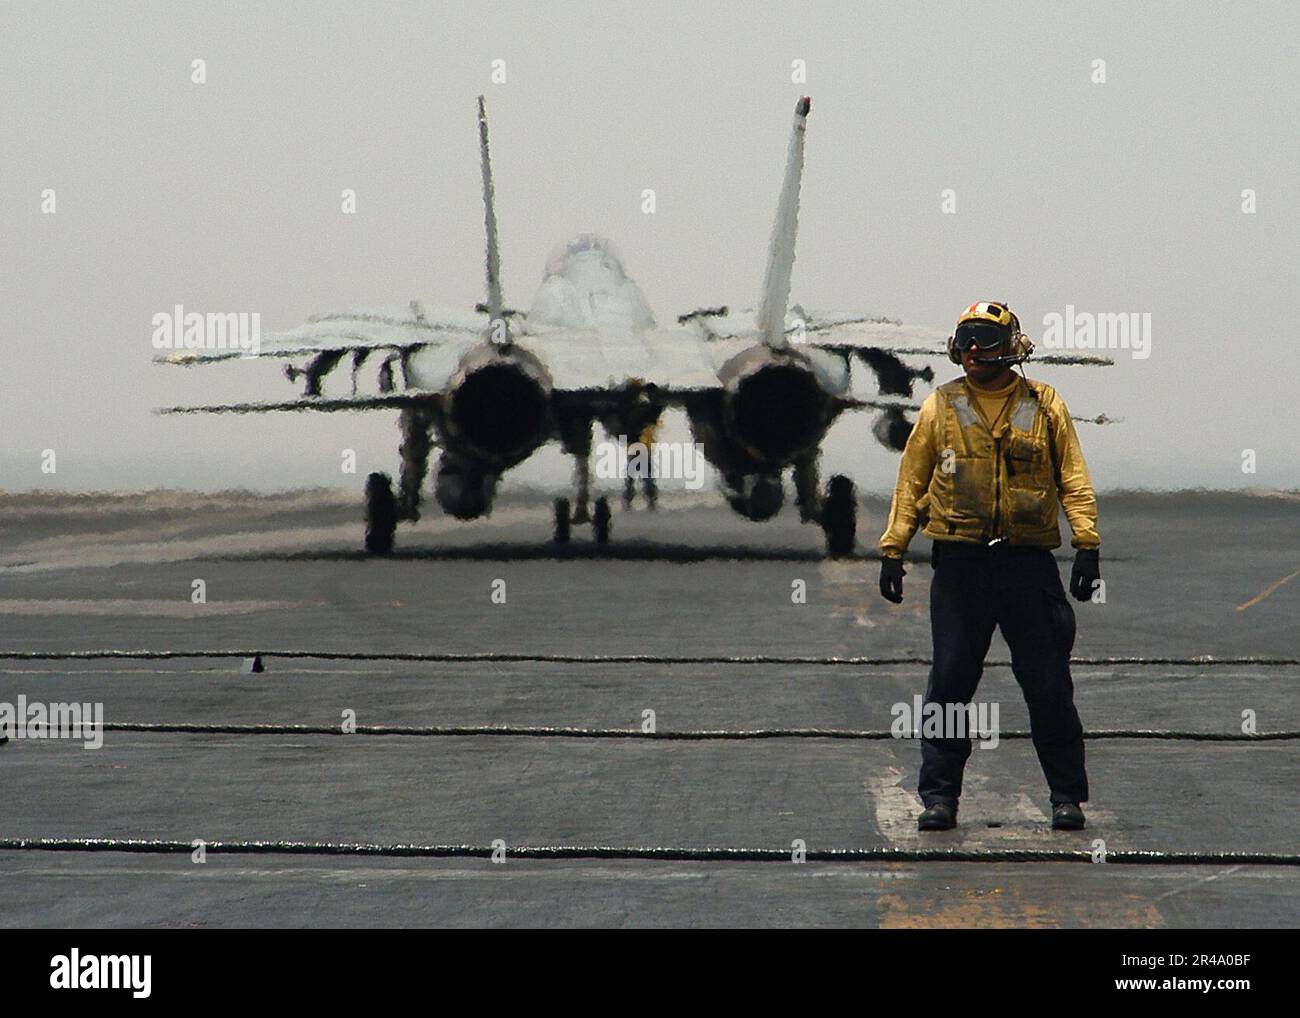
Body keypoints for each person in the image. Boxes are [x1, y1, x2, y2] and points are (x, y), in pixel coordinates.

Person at [877, 301, 1101, 832]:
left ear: (1012, 346)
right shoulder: (941, 406)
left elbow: (1072, 476)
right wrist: (893, 548)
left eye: (986, 339)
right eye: (966, 339)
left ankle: (1066, 797)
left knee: (1048, 686)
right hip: (962, 566)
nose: (975, 350)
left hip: (1028, 566)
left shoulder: (1044, 404)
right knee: (950, 685)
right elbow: (912, 481)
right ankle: (939, 798)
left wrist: (1087, 543)